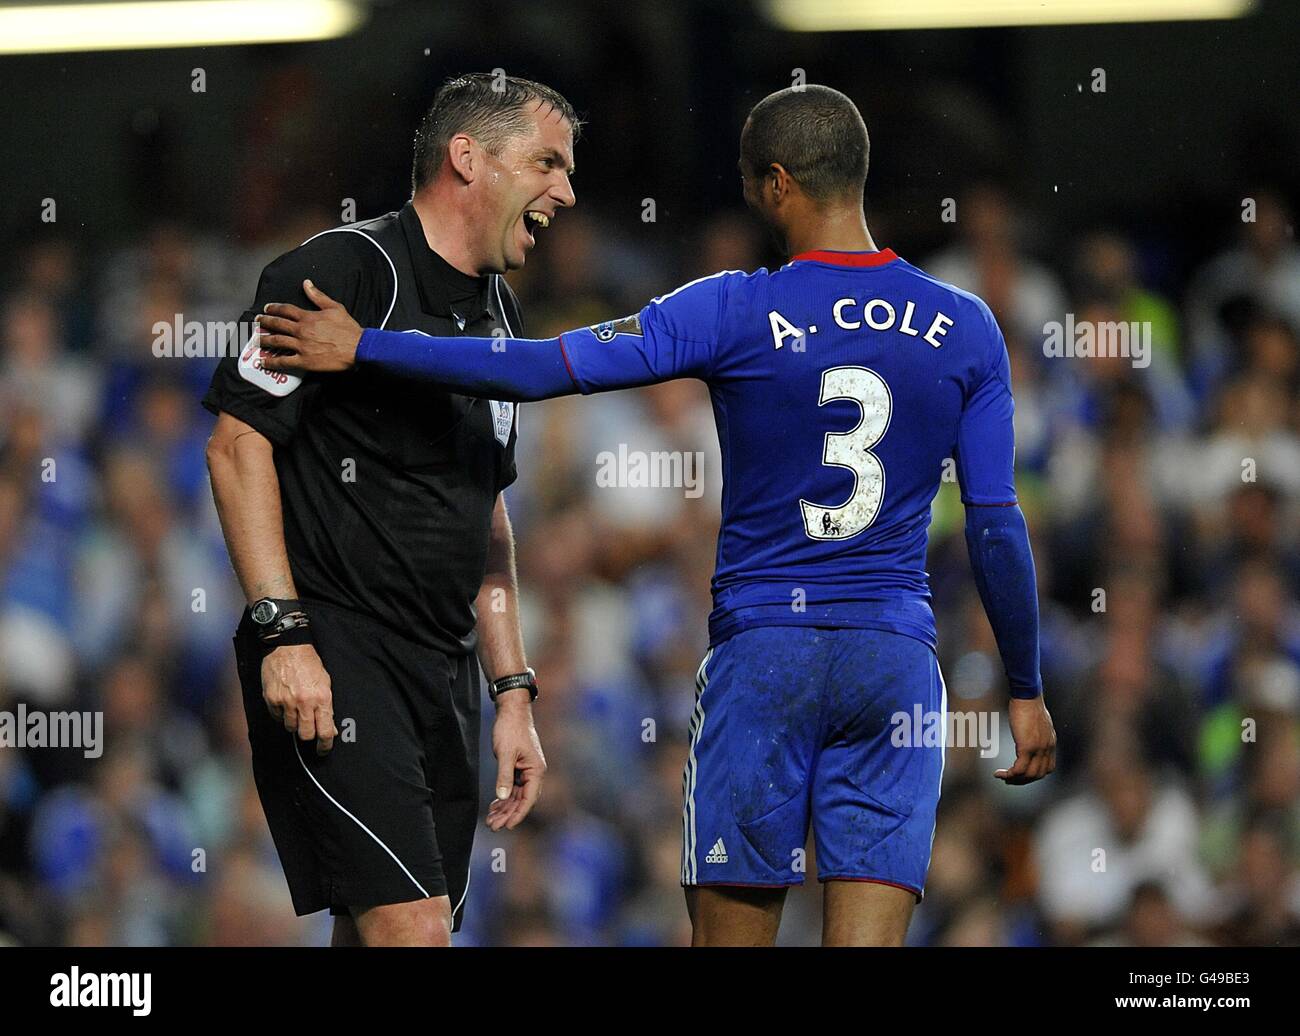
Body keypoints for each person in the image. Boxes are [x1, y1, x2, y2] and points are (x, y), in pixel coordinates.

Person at [255, 84, 1055, 946]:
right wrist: (1024, 688)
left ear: (775, 186)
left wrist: (366, 346)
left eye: (751, 183)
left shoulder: (732, 307)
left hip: (765, 661)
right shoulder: (965, 326)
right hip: (895, 662)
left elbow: (542, 367)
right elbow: (996, 525)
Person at [203, 73, 578, 946]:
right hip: (338, 650)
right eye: (548, 163)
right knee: (413, 932)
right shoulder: (339, 271)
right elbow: (236, 444)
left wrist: (513, 690)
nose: (566, 190)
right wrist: (281, 631)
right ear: (467, 158)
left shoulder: (501, 314)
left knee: (388, 932)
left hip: (445, 675)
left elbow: (485, 515)